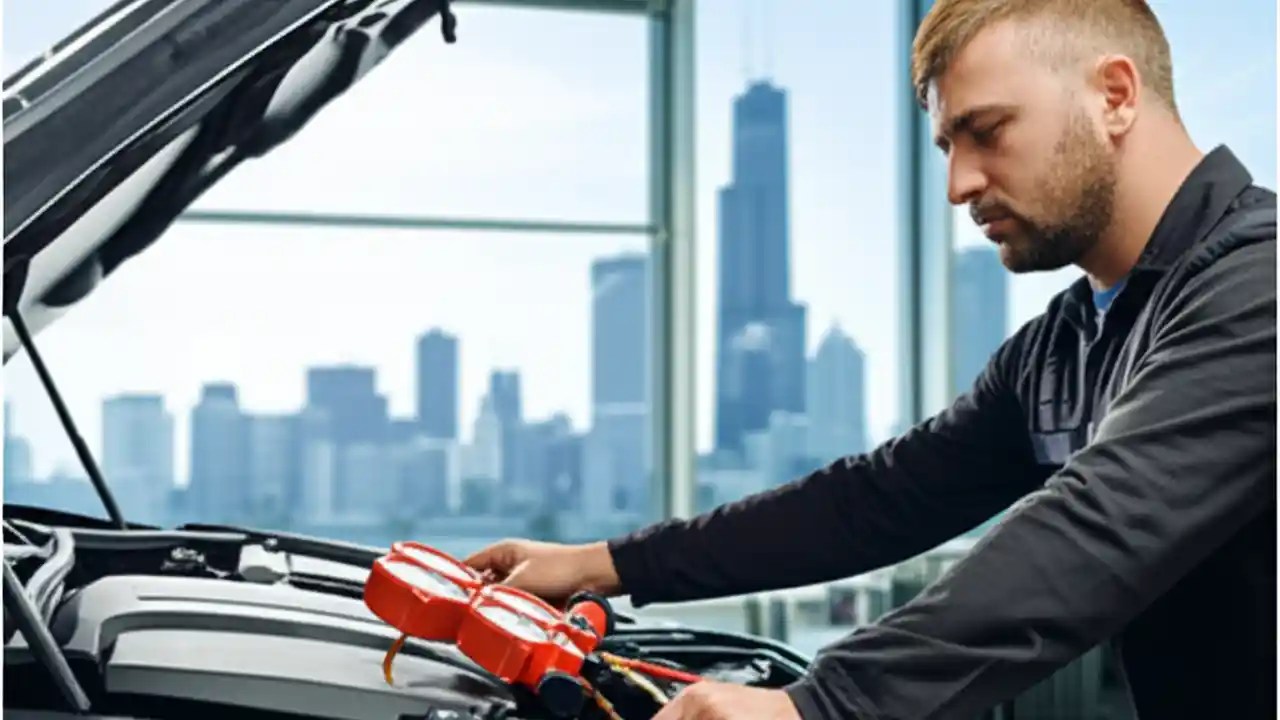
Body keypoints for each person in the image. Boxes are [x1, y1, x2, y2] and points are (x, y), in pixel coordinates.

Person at [466, 0, 1277, 717]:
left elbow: (1098, 529)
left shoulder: (1259, 285)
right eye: (946, 145)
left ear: (1114, 95)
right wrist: (602, 564)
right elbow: (880, 497)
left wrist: (821, 707)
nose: (959, 184)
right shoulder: (1064, 345)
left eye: (987, 131)